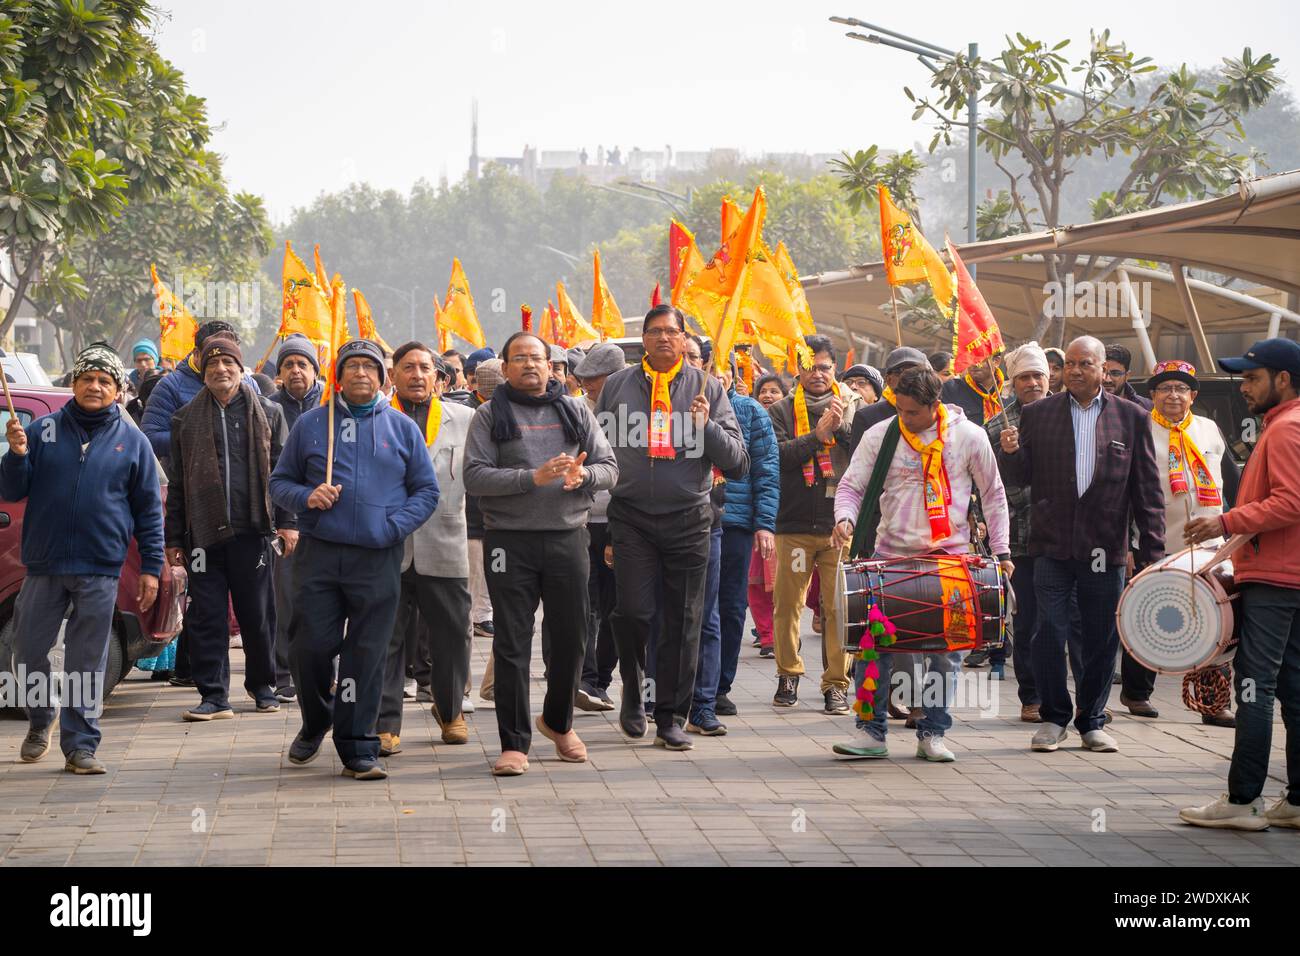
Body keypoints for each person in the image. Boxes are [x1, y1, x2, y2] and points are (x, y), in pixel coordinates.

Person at [270, 339, 439, 780]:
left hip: (378, 558)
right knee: (309, 649)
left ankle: (358, 744)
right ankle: (315, 719)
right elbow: (279, 483)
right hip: (319, 555)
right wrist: (308, 496)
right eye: (352, 366)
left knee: (366, 655)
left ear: (383, 378)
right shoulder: (311, 425)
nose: (361, 373)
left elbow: (426, 492)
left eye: (370, 366)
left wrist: (392, 526)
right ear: (338, 376)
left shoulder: (402, 429)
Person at [831, 365, 1011, 762]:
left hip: (951, 561)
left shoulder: (969, 437)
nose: (904, 418)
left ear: (935, 405)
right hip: (889, 559)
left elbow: (994, 496)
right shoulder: (882, 434)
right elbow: (851, 485)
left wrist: (1002, 553)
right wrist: (844, 517)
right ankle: (870, 732)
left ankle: (933, 733)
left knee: (946, 654)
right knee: (872, 649)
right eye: (900, 409)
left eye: (912, 412)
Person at [999, 336, 1164, 755]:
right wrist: (1009, 453)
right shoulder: (1039, 415)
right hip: (1052, 544)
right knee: (1048, 632)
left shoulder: (1132, 417)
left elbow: (1146, 490)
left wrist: (1153, 551)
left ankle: (1091, 719)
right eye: (1069, 363)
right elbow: (1020, 478)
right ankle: (1054, 718)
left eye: (1084, 364)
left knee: (1100, 637)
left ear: (1102, 369)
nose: (1074, 370)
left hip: (1105, 547)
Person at [3, 344, 163, 774]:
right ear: (73, 383)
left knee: (85, 660)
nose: (95, 386)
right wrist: (15, 455)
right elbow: (12, 490)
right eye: (87, 378)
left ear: (117, 390)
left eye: (104, 381)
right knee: (25, 651)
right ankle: (41, 719)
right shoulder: (43, 431)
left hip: (100, 566)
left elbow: (149, 511)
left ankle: (80, 746)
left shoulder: (133, 441)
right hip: (44, 564)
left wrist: (151, 568)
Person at [464, 332, 618, 776]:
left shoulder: (574, 410)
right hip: (509, 542)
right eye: (520, 359)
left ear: (553, 366)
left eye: (538, 358)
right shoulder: (490, 415)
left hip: (569, 537)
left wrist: (582, 476)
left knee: (570, 637)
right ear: (505, 367)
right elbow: (474, 476)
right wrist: (531, 478)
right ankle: (514, 743)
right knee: (513, 641)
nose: (530, 365)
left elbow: (610, 469)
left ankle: (558, 722)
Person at [595, 304, 747, 750]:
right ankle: (631, 685)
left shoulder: (708, 388)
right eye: (654, 331)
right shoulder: (618, 387)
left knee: (685, 620)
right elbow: (601, 450)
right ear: (643, 339)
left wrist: (706, 429)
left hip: (689, 516)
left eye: (672, 332)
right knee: (634, 612)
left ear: (685, 340)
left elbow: (737, 463)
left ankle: (670, 717)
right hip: (631, 516)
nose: (663, 338)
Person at [1180, 338, 1300, 830]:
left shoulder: (1287, 429)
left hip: (1276, 580)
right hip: (1285, 577)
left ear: (1284, 380)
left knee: (1253, 685)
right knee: (1291, 690)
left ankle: (1244, 798)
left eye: (1252, 378)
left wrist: (1224, 522)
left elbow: (1291, 501)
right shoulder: (1285, 426)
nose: (1245, 387)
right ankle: (1295, 801)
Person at [165, 336, 294, 721]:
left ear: (242, 369)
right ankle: (214, 696)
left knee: (257, 613)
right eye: (212, 366)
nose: (221, 370)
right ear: (202, 374)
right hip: (203, 535)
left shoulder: (268, 413)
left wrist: (288, 524)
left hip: (254, 531)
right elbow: (178, 484)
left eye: (229, 364)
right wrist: (173, 538)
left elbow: (284, 474)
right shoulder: (185, 419)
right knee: (206, 615)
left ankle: (263, 687)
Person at [378, 343, 475, 755]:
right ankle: (385, 722)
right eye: (408, 368)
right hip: (388, 545)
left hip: (446, 540)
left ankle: (450, 709)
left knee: (452, 634)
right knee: (386, 637)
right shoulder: (376, 418)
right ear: (393, 375)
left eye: (425, 368)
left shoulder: (467, 420)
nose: (417, 375)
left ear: (439, 377)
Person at [1142, 359, 1239, 728]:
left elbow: (1231, 481)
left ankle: (1214, 704)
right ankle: (1136, 694)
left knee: (1218, 624)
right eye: (1165, 388)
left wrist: (1237, 529)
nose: (1173, 395)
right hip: (1157, 541)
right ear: (1152, 395)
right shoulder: (1141, 429)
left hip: (1211, 546)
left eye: (1181, 388)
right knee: (1148, 617)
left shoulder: (1210, 429)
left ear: (1193, 395)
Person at [768, 335, 860, 713]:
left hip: (839, 528)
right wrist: (816, 436)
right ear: (798, 369)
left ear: (834, 369)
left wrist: (839, 429)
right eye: (810, 367)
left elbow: (862, 454)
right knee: (788, 605)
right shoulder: (782, 410)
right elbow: (777, 456)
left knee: (839, 607)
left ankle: (836, 684)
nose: (818, 374)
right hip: (794, 527)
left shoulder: (853, 406)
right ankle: (788, 673)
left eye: (824, 367)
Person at [986, 343, 1055, 720]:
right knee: (1028, 618)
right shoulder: (996, 427)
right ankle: (1031, 696)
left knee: (1061, 620)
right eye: (1024, 377)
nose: (1032, 383)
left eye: (1038, 376)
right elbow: (988, 487)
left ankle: (1063, 697)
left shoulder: (1065, 416)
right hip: (1020, 541)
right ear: (1012, 382)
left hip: (1063, 538)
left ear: (1049, 379)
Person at [714, 356, 778, 721]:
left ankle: (720, 685)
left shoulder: (750, 411)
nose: (716, 373)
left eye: (724, 367)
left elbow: (767, 469)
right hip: (687, 521)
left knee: (731, 606)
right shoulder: (674, 405)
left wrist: (764, 523)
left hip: (735, 523)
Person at [266, 334, 325, 700]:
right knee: (284, 600)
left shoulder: (334, 408)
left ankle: (324, 673)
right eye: (288, 364)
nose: (295, 370)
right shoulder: (269, 409)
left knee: (324, 601)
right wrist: (284, 520)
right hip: (284, 520)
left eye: (302, 363)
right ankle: (283, 673)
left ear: (315, 370)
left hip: (326, 519)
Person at [572, 343, 626, 711]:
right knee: (583, 604)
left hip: (622, 522)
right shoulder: (576, 412)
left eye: (596, 381)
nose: (589, 388)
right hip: (581, 522)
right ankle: (585, 679)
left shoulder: (635, 413)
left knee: (616, 608)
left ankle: (602, 677)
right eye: (585, 381)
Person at [142, 319, 254, 461]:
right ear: (197, 354)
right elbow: (150, 439)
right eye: (212, 357)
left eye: (228, 357)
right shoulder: (170, 387)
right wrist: (201, 437)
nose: (221, 368)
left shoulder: (250, 386)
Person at [748, 374, 788, 657]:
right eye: (763, 390)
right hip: (754, 511)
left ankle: (784, 633)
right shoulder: (747, 417)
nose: (768, 395)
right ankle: (767, 635)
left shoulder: (791, 421)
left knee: (781, 580)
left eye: (775, 391)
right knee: (756, 579)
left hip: (786, 512)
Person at [849, 347, 928, 453]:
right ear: (889, 379)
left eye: (916, 371)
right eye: (901, 372)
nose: (910, 377)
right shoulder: (867, 417)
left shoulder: (941, 414)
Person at [941, 356, 1005, 428]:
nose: (974, 364)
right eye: (970, 358)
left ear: (996, 361)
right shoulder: (949, 389)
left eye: (979, 359)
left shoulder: (1011, 392)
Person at [1103, 344, 1152, 410]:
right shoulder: (1085, 405)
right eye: (1102, 372)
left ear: (1127, 376)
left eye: (1115, 373)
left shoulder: (1146, 407)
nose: (1107, 380)